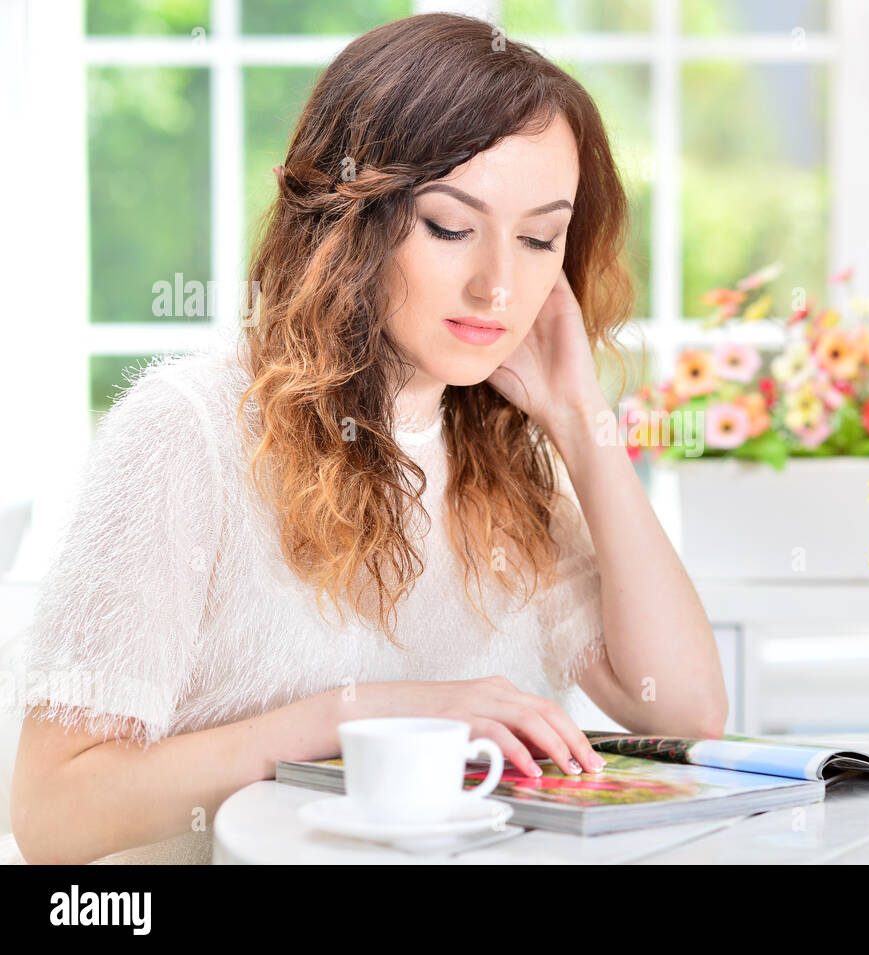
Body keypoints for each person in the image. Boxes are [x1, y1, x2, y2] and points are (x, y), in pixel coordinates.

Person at [9, 12, 727, 866]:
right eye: (450, 226)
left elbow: (683, 711)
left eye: (539, 239)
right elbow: (52, 815)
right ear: (352, 217)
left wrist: (580, 421)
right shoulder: (187, 431)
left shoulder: (504, 449)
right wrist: (351, 714)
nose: (499, 284)